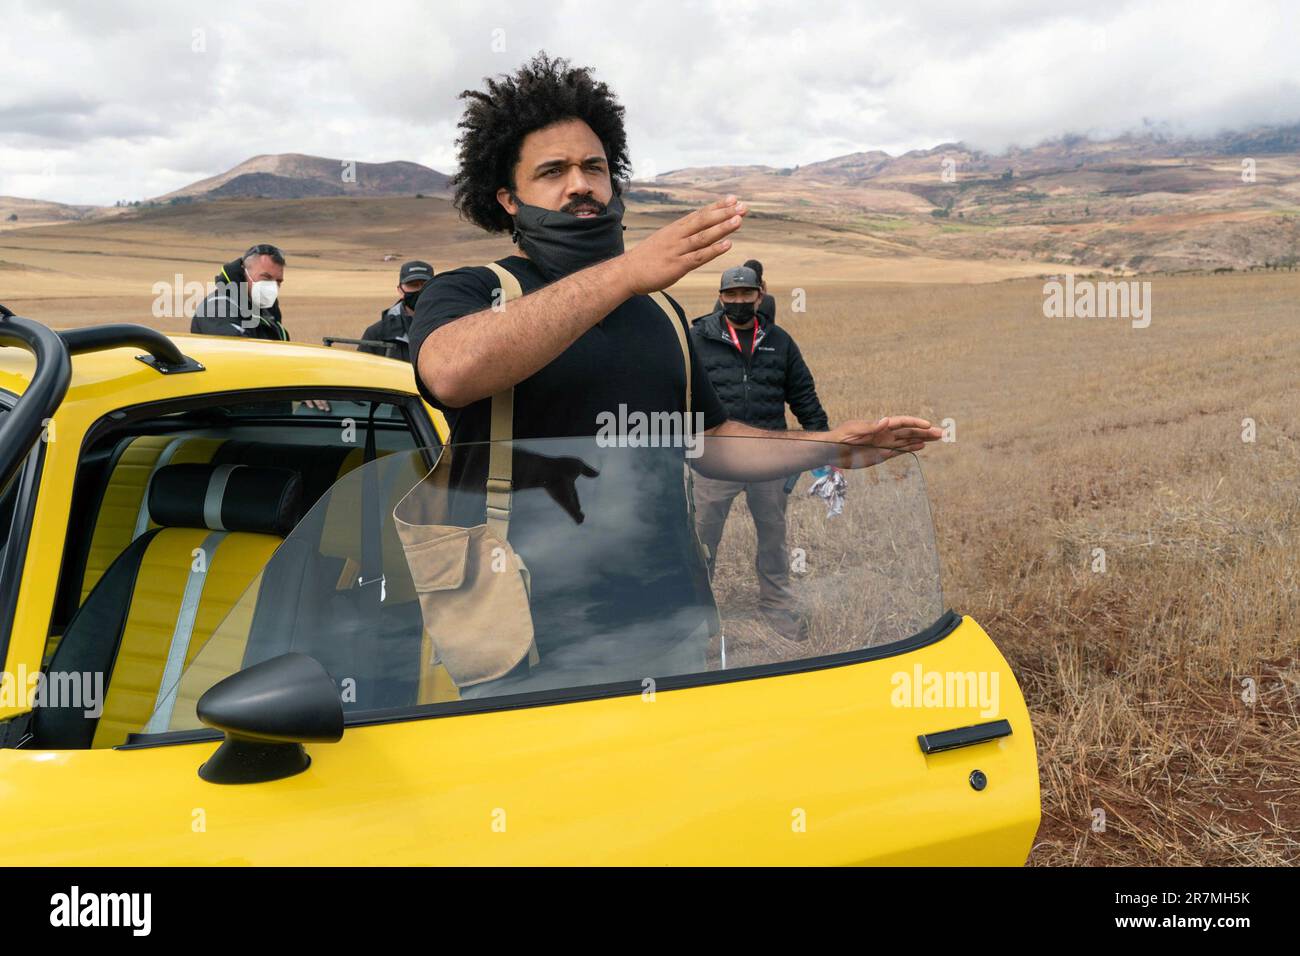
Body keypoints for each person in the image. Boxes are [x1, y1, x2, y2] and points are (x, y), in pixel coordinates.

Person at [409, 52, 942, 694]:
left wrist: (827, 446)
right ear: (508, 198)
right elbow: (450, 371)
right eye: (552, 171)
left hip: (674, 625)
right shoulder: (475, 290)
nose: (580, 184)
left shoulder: (659, 312)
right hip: (525, 644)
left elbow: (708, 441)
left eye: (594, 168)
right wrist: (625, 272)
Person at [689, 265, 828, 640]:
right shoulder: (697, 338)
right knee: (702, 538)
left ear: (759, 295)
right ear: (720, 297)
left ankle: (777, 607)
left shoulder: (780, 341)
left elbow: (803, 397)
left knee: (773, 536)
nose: (738, 301)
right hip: (715, 459)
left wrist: (822, 454)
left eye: (745, 294)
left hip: (769, 459)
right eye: (730, 295)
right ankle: (697, 616)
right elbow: (677, 394)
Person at [191, 243, 289, 340]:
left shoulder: (267, 311)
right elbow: (240, 349)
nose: (272, 286)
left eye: (278, 281)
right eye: (266, 277)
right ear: (245, 273)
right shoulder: (216, 309)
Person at [358, 260, 434, 361]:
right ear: (400, 290)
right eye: (413, 285)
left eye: (425, 285)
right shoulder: (377, 333)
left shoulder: (449, 327)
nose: (419, 290)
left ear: (435, 288)